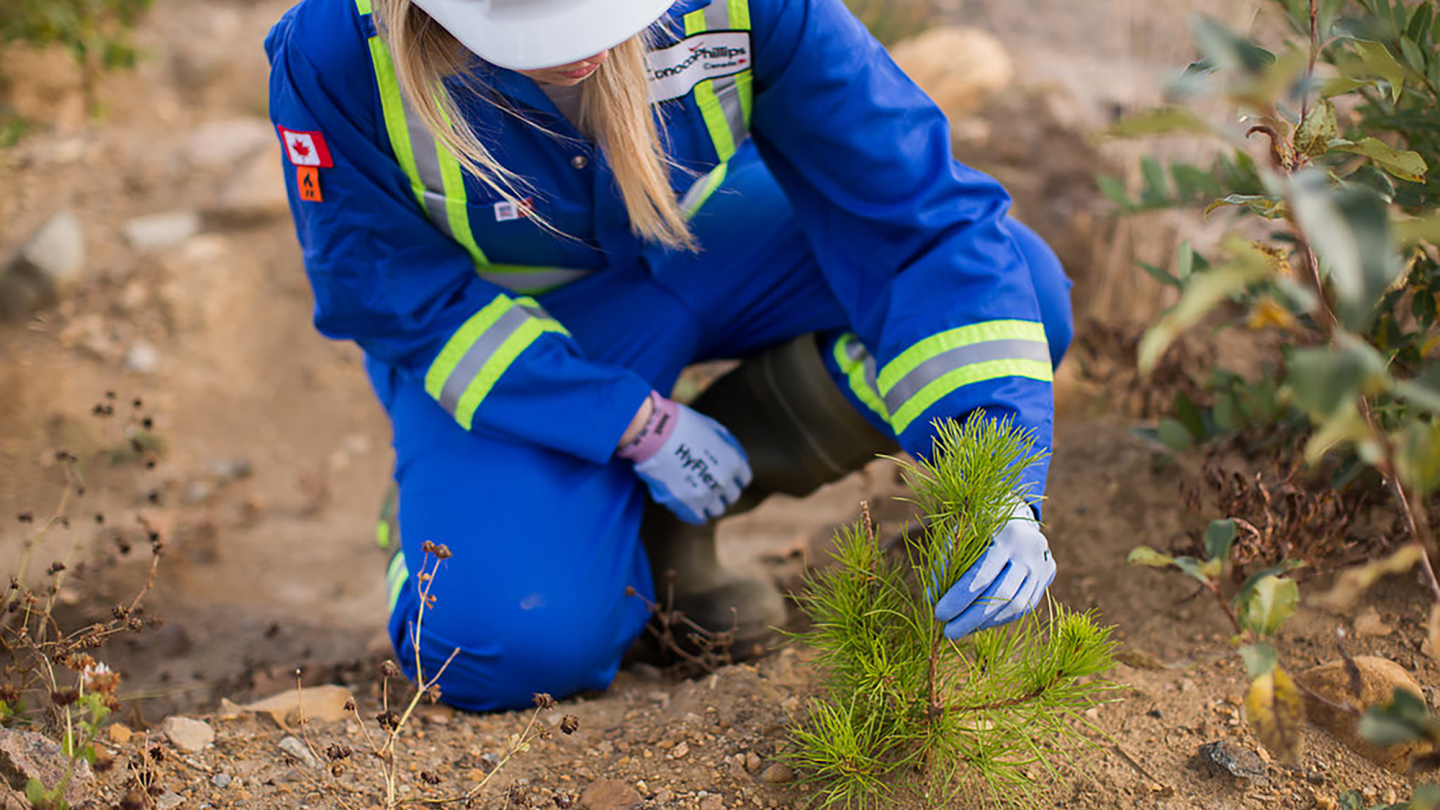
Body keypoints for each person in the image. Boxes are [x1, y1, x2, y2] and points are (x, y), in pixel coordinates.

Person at [265, 0, 1073, 712]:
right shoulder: (338, 53)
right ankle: (468, 510)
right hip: (524, 331)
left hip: (712, 238)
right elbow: (388, 292)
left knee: (1020, 295)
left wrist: (999, 476)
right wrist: (625, 421)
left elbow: (921, 222)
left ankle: (659, 522)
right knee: (503, 647)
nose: (586, 46)